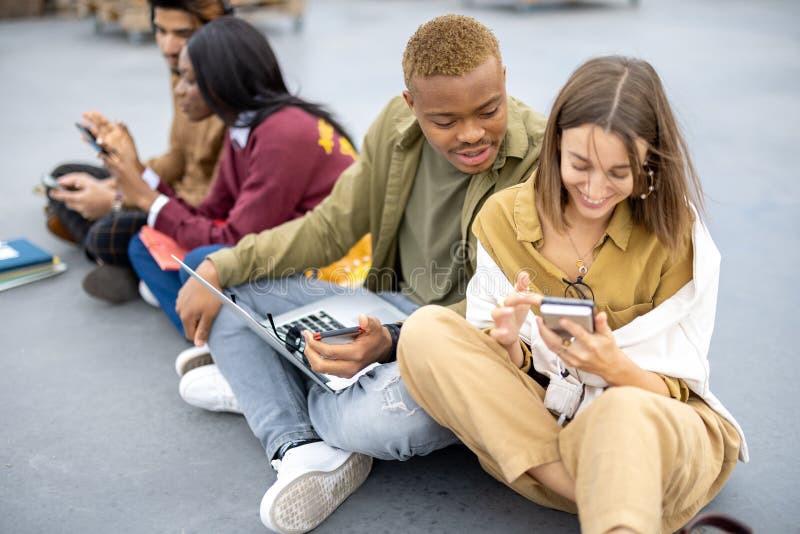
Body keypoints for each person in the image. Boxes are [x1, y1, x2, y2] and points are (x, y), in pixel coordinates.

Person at [173, 14, 547, 534]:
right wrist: (221, 262)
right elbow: (329, 227)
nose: (471, 134)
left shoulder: (540, 160)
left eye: (489, 110)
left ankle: (269, 388)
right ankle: (301, 447)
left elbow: (514, 304)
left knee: (376, 423)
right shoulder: (396, 128)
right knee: (228, 292)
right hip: (387, 311)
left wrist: (394, 342)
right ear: (412, 105)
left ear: (504, 79)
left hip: (465, 350)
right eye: (445, 120)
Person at [397, 56, 748, 533]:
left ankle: (616, 502)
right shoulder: (502, 219)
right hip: (550, 435)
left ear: (649, 164)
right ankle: (605, 496)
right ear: (556, 142)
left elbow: (677, 388)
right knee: (424, 332)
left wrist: (611, 366)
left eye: (619, 173)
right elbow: (507, 368)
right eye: (579, 165)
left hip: (654, 435)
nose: (595, 189)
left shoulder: (676, 235)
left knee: (621, 411)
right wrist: (508, 348)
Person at [106, 16, 356, 335]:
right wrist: (139, 175)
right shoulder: (243, 126)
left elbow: (236, 240)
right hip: (273, 253)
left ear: (224, 81)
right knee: (143, 246)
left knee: (202, 261)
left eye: (189, 80)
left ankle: (228, 342)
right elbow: (211, 212)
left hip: (330, 270)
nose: (180, 91)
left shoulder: (283, 133)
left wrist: (145, 197)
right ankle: (209, 341)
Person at [45, 0, 230, 303]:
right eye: (160, 31)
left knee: (102, 235)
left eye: (182, 33)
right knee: (62, 176)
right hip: (164, 193)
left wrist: (119, 201)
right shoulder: (181, 69)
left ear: (214, 31)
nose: (168, 46)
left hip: (193, 214)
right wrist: (118, 177)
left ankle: (130, 266)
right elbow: (179, 156)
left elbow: (214, 205)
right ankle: (131, 264)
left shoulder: (227, 90)